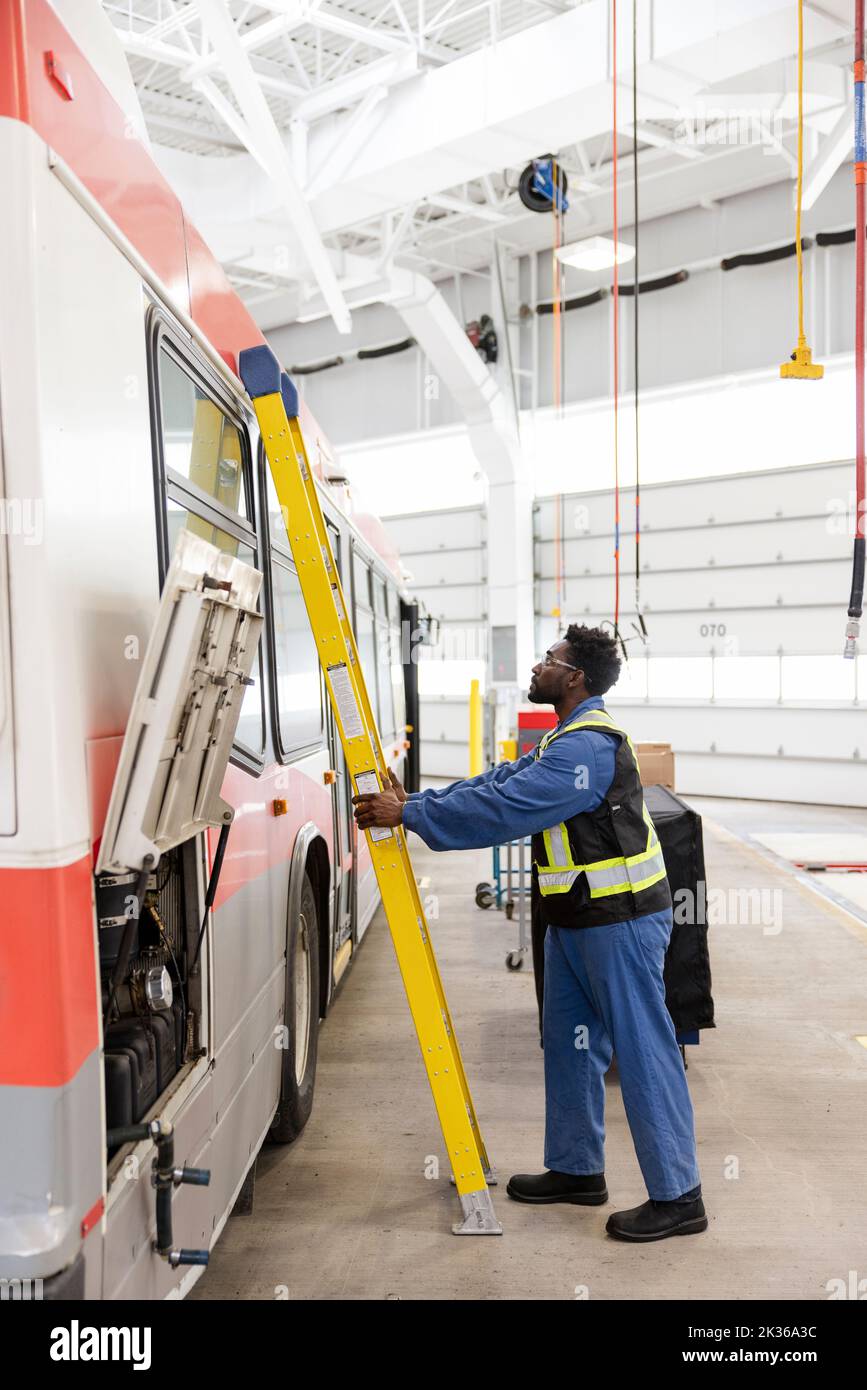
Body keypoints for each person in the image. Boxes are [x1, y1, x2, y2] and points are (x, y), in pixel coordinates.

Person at [352, 623, 706, 1242]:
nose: (539, 665)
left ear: (576, 678)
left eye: (551, 658)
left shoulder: (586, 749)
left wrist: (411, 814)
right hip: (573, 919)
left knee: (644, 1051)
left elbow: (508, 809)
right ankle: (577, 1169)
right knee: (569, 1045)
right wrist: (422, 801)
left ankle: (680, 1197)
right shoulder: (562, 739)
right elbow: (498, 784)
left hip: (619, 921)